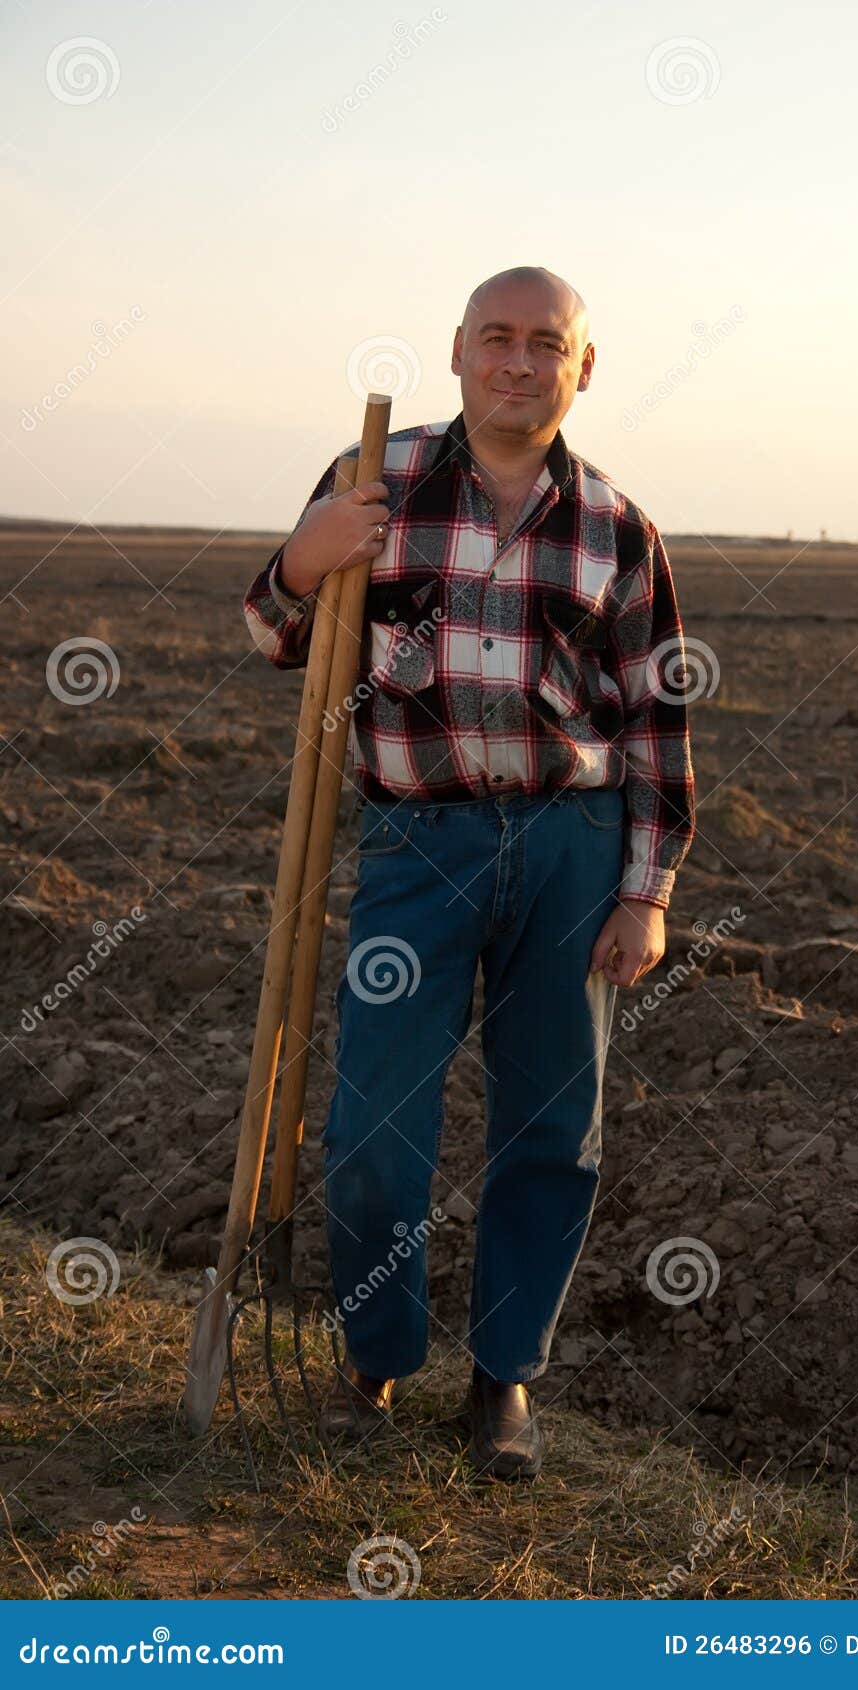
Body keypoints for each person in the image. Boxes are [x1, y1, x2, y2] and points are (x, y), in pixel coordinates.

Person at [243, 266, 695, 1480]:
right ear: (455, 351)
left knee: (553, 1124)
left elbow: (655, 721)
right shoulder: (370, 480)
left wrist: (645, 891)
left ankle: (502, 1386)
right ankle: (373, 1364)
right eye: (495, 337)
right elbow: (274, 633)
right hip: (417, 843)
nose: (516, 361)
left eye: (545, 343)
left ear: (579, 368)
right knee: (374, 1124)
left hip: (571, 847)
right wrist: (299, 562)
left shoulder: (617, 528)